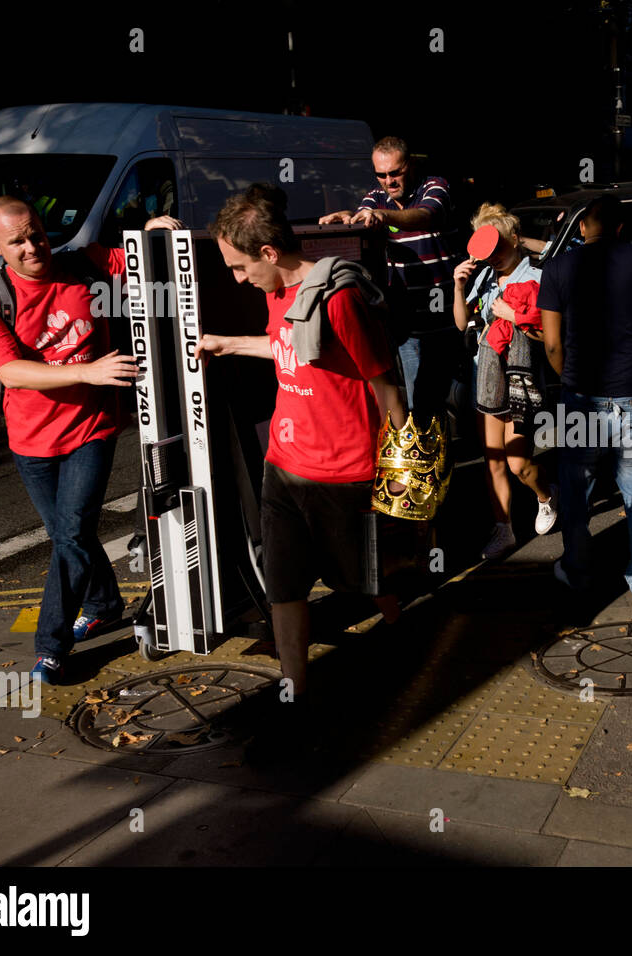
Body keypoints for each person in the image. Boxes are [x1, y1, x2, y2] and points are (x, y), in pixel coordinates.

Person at [196, 183, 407, 732]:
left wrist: (403, 469)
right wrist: (229, 343)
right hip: (283, 464)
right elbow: (286, 348)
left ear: (269, 253)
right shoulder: (274, 294)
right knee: (283, 583)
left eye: (240, 267)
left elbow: (385, 385)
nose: (238, 279)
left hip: (344, 472)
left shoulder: (338, 299)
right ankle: (295, 690)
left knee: (367, 577)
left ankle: (407, 633)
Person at [0, 196, 182, 684]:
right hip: (31, 440)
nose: (31, 246)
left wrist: (148, 228)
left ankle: (51, 646)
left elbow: (139, 257)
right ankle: (105, 603)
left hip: (92, 429)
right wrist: (90, 369)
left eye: (36, 233)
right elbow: (10, 371)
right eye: (17, 241)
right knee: (73, 536)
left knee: (70, 534)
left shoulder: (82, 266)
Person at [538, 195, 632, 607]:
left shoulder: (556, 268)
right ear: (620, 228)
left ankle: (576, 571)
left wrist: (573, 383)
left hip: (583, 397)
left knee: (578, 490)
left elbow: (553, 344)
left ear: (580, 228)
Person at [319, 137, 462, 428]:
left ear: (411, 166)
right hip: (406, 323)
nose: (389, 181)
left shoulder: (434, 187)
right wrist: (348, 218)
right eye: (381, 175)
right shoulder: (375, 197)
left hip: (442, 319)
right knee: (418, 406)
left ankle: (444, 462)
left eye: (395, 172)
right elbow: (365, 219)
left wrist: (383, 216)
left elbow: (425, 216)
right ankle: (432, 464)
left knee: (429, 404)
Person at [452, 204, 558, 559]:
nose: (494, 257)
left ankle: (545, 495)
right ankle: (504, 530)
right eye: (488, 251)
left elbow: (550, 334)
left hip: (521, 378)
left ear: (515, 239)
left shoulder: (537, 277)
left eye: (500, 248)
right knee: (493, 461)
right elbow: (459, 321)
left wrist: (516, 315)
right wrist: (458, 286)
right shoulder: (482, 278)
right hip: (487, 376)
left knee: (517, 464)